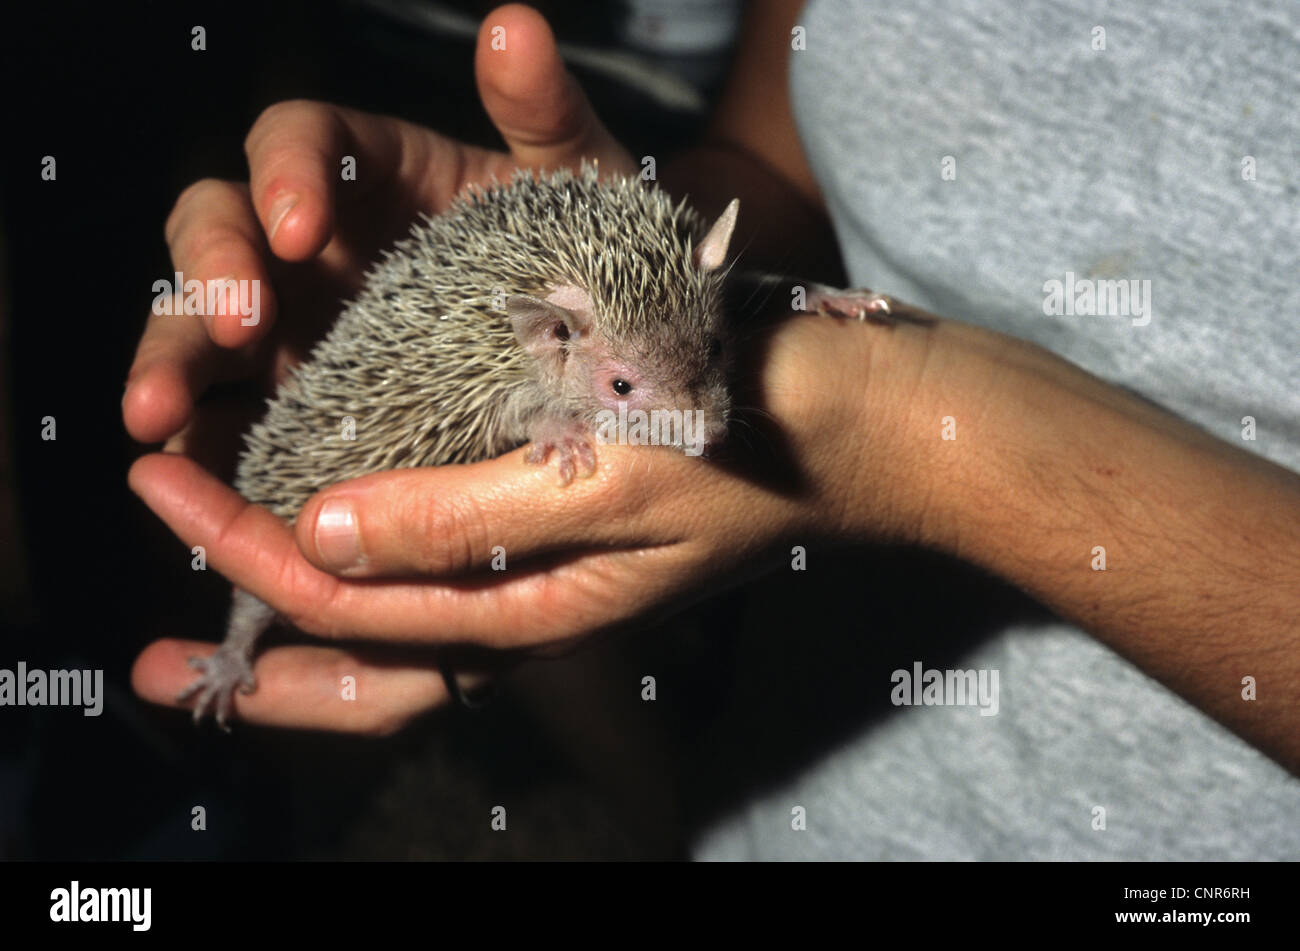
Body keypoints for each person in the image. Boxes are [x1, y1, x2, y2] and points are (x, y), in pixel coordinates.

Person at [123, 1, 1300, 858]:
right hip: (773, 786)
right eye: (636, 400)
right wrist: (752, 275)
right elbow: (754, 176)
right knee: (283, 509)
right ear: (552, 345)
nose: (707, 431)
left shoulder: (640, 349)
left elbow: (705, 312)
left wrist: (888, 405)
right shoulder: (548, 354)